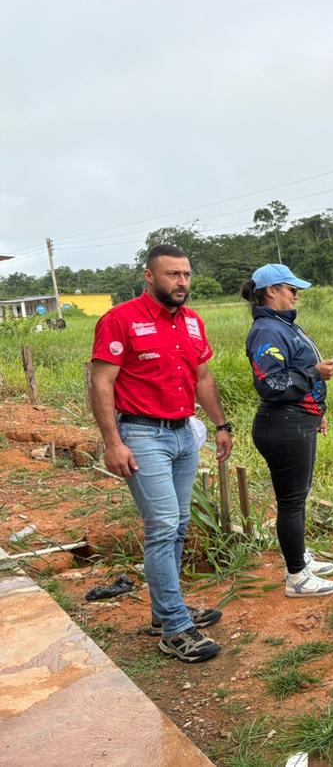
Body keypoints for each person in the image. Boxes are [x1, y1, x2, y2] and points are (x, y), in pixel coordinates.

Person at [90, 244, 233, 664]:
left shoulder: (192, 323)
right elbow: (102, 384)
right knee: (163, 526)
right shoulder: (121, 320)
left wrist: (221, 425)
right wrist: (113, 442)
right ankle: (174, 628)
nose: (182, 283)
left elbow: (202, 376)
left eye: (186, 275)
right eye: (173, 275)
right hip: (141, 434)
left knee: (179, 522)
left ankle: (163, 612)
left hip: (184, 433)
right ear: (150, 277)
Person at [242, 264, 333, 597]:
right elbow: (271, 384)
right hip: (284, 423)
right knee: (291, 502)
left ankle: (299, 558)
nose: (296, 294)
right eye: (290, 289)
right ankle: (297, 577)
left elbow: (292, 375)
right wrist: (314, 373)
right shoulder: (268, 331)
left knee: (297, 500)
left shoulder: (284, 325)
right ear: (271, 292)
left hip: (297, 419)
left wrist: (318, 411)